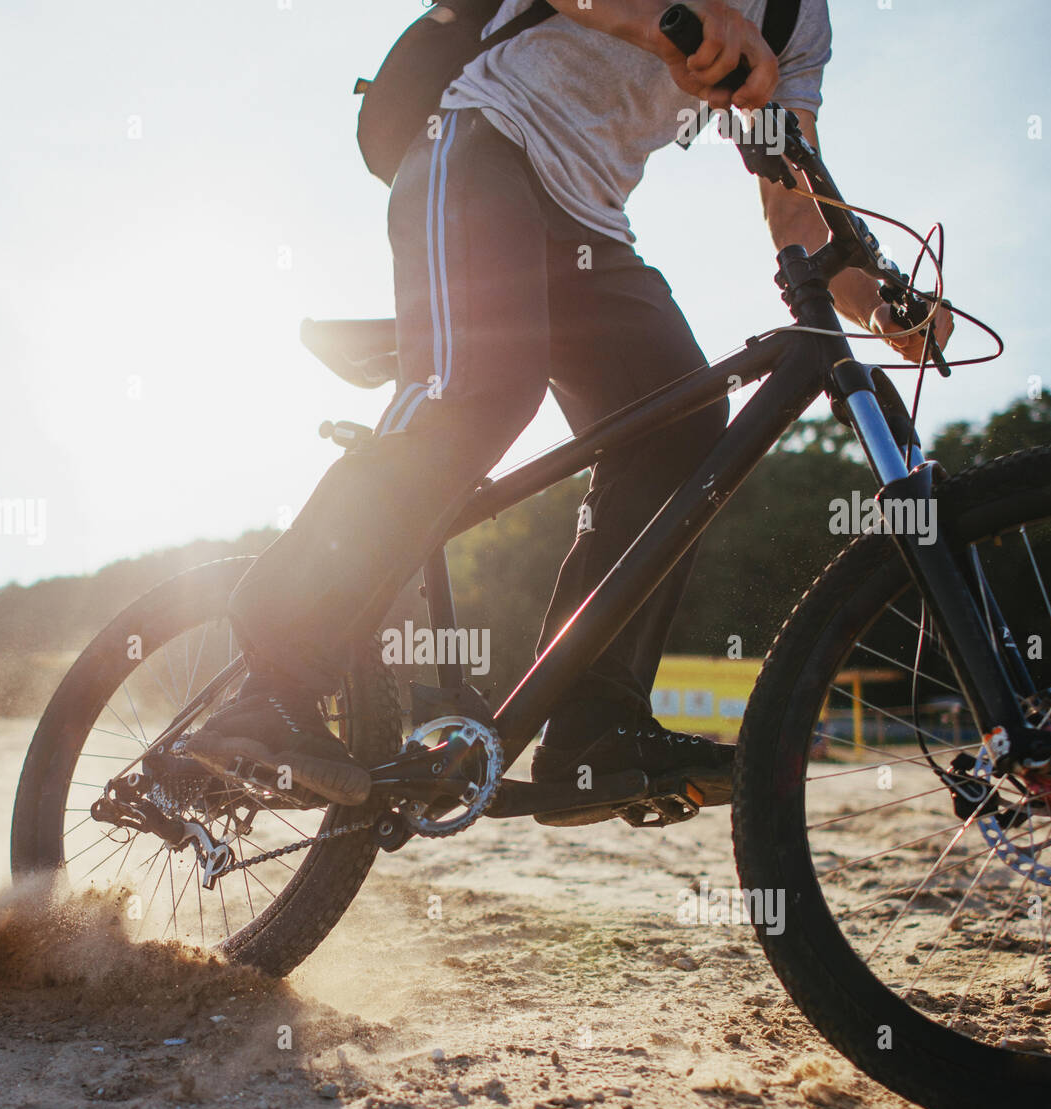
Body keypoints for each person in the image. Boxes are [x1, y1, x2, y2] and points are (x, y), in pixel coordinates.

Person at [188, 0, 953, 818]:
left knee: (684, 425)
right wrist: (673, 19)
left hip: (590, 224)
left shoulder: (798, 19)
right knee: (483, 392)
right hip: (480, 143)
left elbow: (792, 203)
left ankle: (592, 724)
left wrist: (880, 309)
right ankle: (272, 679)